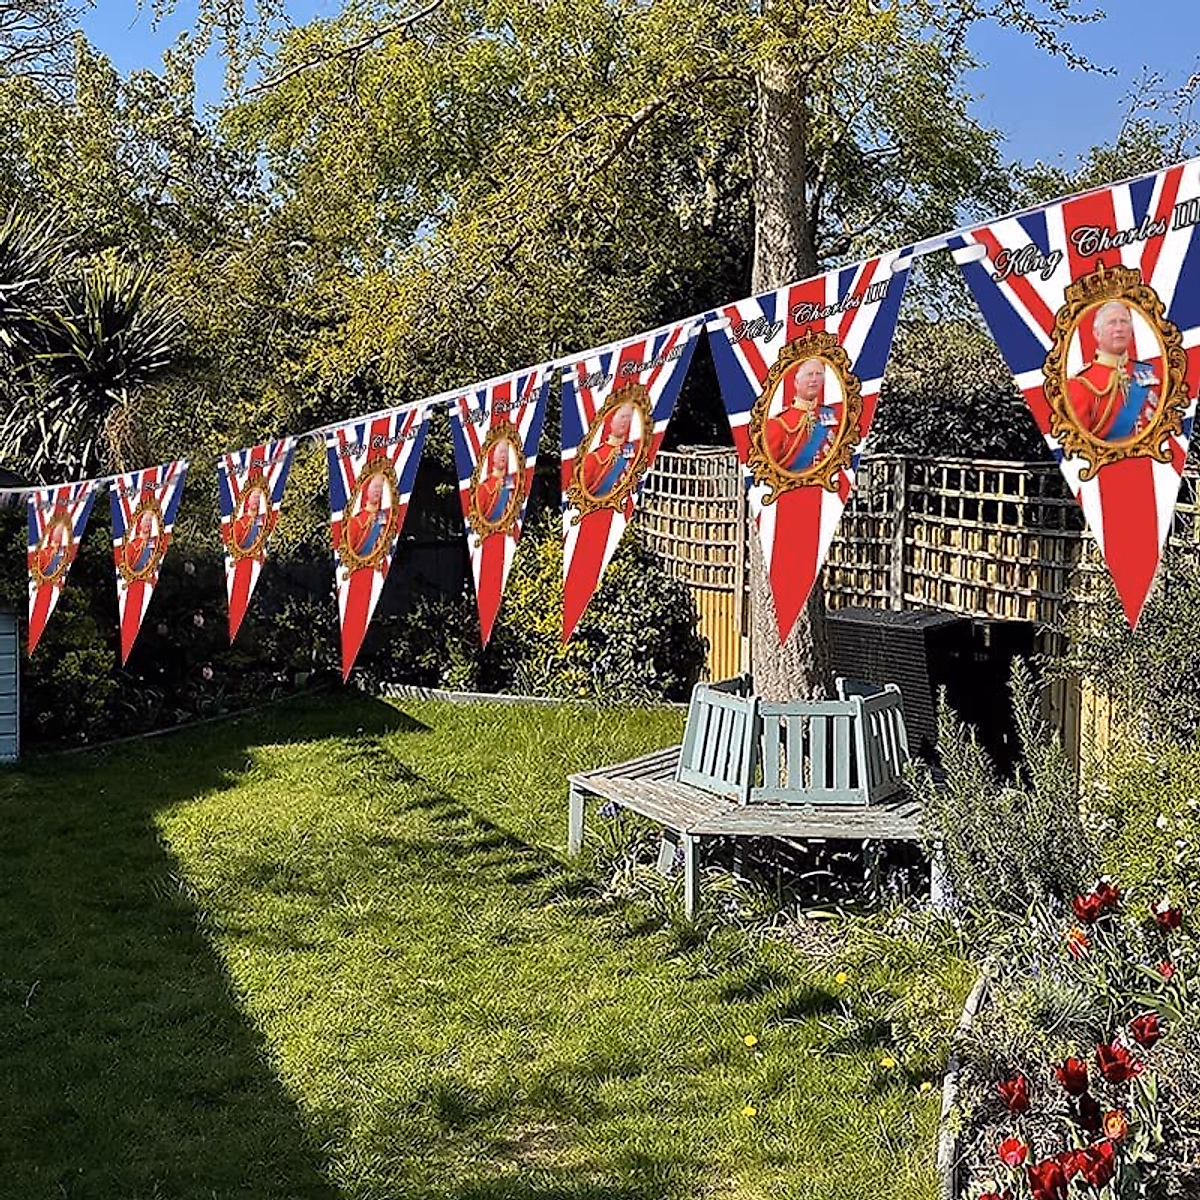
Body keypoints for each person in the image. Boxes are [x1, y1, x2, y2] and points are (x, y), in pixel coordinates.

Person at [1065, 301, 1160, 441]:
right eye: (1112, 323)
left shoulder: (1152, 373)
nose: (1119, 328)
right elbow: (1079, 445)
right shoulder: (1080, 383)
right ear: (1097, 333)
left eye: (1124, 322)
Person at [765, 357, 839, 473]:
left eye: (818, 374)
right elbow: (769, 471)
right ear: (797, 382)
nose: (814, 379)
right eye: (809, 374)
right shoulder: (778, 423)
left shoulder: (833, 416)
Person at [581, 401, 640, 498]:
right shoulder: (595, 458)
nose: (625, 421)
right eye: (622, 416)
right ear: (611, 420)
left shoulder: (634, 451)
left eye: (628, 417)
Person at [347, 472, 392, 557]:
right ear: (367, 489)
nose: (378, 490)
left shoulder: (385, 518)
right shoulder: (356, 522)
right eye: (375, 486)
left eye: (380, 487)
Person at [476, 439, 517, 525]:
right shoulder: (484, 487)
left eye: (506, 452)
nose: (503, 455)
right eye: (501, 452)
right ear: (493, 457)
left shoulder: (511, 483)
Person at [232, 485, 267, 553]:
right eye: (254, 497)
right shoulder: (239, 524)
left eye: (258, 497)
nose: (256, 500)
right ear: (248, 500)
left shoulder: (264, 519)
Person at [124, 509, 157, 574]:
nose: (148, 523)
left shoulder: (154, 543)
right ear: (140, 524)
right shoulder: (132, 545)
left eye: (150, 520)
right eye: (146, 520)